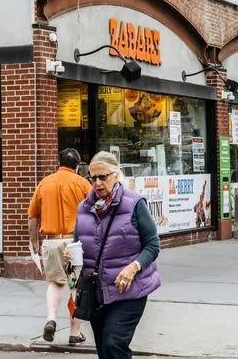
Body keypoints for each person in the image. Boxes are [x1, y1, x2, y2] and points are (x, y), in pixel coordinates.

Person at [74, 151, 161, 359]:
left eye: (103, 177)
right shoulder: (84, 207)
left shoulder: (134, 204)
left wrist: (133, 267)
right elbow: (77, 242)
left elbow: (152, 244)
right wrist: (71, 256)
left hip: (129, 290)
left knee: (114, 343)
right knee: (104, 349)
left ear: (116, 175)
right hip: (97, 291)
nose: (97, 183)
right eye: (92, 178)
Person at [28, 149, 92, 345]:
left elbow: (33, 216)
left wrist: (34, 242)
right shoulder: (83, 183)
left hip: (51, 240)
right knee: (76, 286)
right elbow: (93, 211)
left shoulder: (44, 183)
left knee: (55, 283)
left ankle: (51, 319)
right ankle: (74, 331)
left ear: (58, 162)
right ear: (78, 165)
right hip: (75, 242)